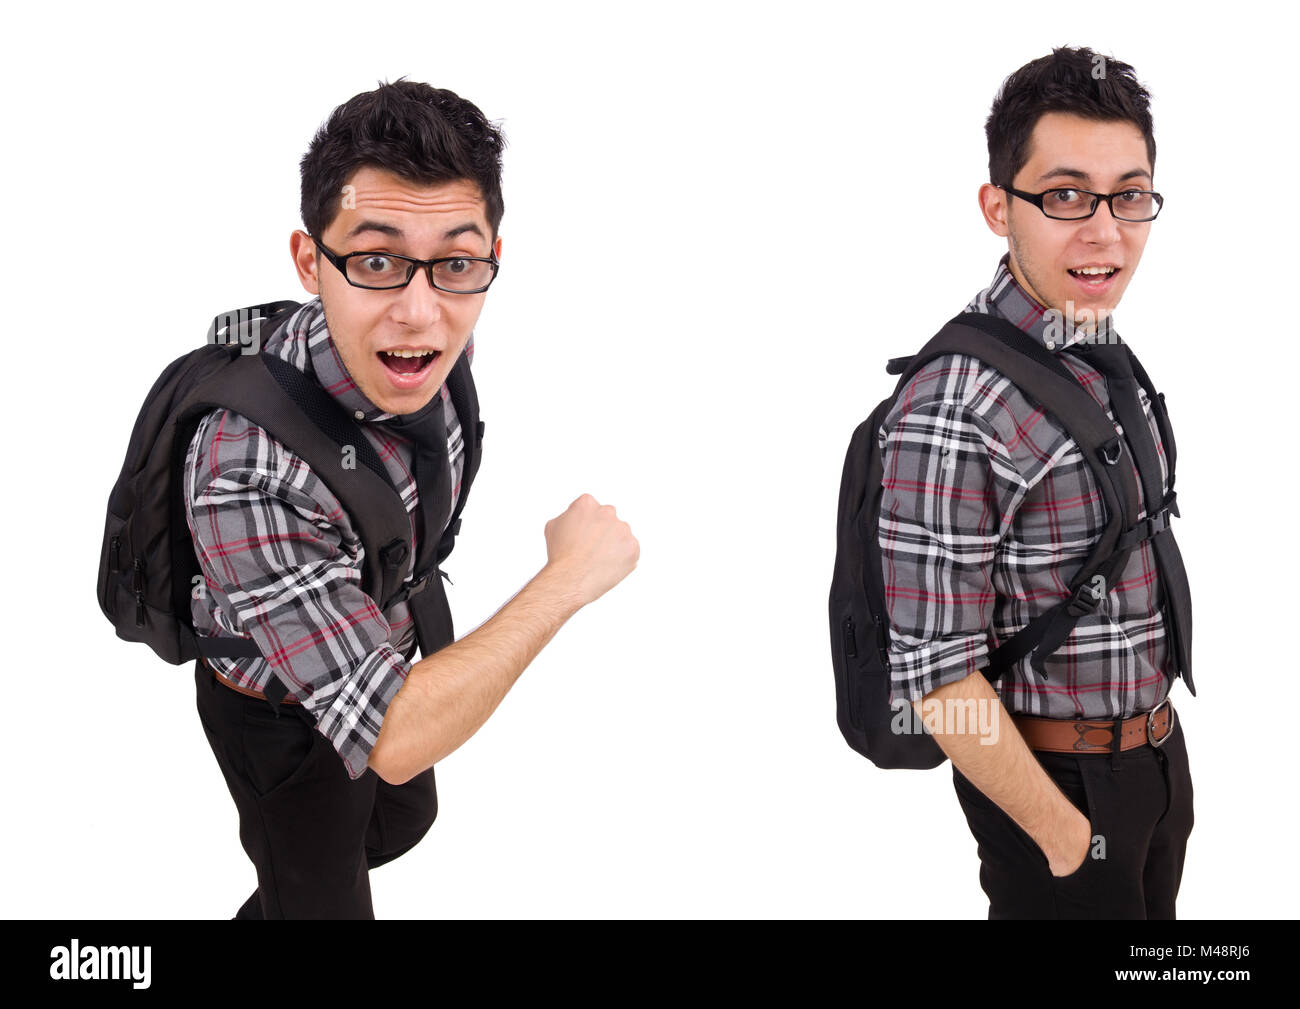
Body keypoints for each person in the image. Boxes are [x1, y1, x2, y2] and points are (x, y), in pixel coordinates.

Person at [186, 80, 639, 919]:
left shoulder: (424, 343)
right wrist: (566, 579)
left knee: (404, 818)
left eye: (456, 263)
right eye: (376, 260)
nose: (420, 312)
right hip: (276, 714)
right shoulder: (245, 467)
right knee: (317, 891)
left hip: (377, 644)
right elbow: (392, 736)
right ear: (309, 261)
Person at [877, 47, 1193, 918]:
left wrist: (1162, 772)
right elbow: (937, 680)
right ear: (997, 207)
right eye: (1064, 196)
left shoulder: (1094, 346)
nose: (1105, 231)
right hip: (1055, 796)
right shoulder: (952, 407)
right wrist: (1062, 837)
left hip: (1151, 770)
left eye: (1128, 195)